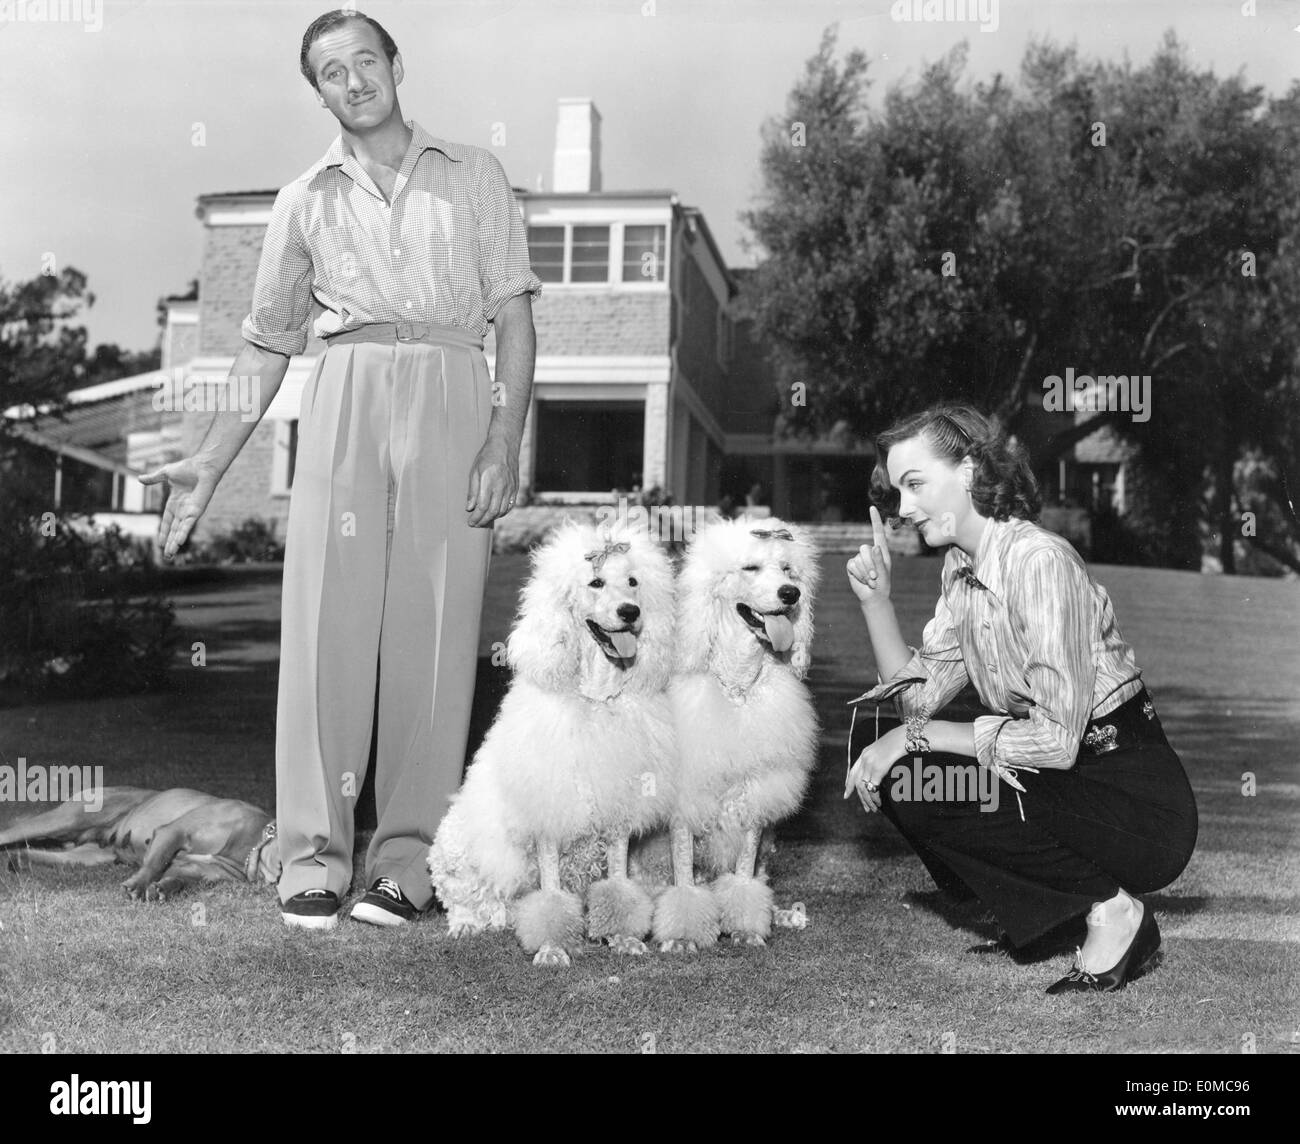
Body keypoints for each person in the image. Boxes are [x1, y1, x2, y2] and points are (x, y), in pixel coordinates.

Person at [140, 9, 541, 931]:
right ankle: (313, 857)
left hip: (451, 382)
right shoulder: (302, 200)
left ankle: (408, 861)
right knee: (327, 628)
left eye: (366, 60)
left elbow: (514, 319)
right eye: (331, 71)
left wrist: (500, 438)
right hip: (345, 389)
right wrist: (207, 461)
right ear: (316, 90)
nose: (354, 79)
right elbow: (268, 344)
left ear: (397, 65)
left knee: (435, 641)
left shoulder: (475, 173)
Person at [844, 404, 1197, 993]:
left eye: (914, 485)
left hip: (1132, 798)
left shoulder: (1039, 562)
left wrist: (913, 738)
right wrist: (875, 602)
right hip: (1064, 779)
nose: (902, 509)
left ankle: (1115, 912)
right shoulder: (960, 568)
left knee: (909, 755)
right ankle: (1057, 913)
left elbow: (1058, 741)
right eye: (897, 491)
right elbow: (918, 706)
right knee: (900, 772)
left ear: (970, 469)